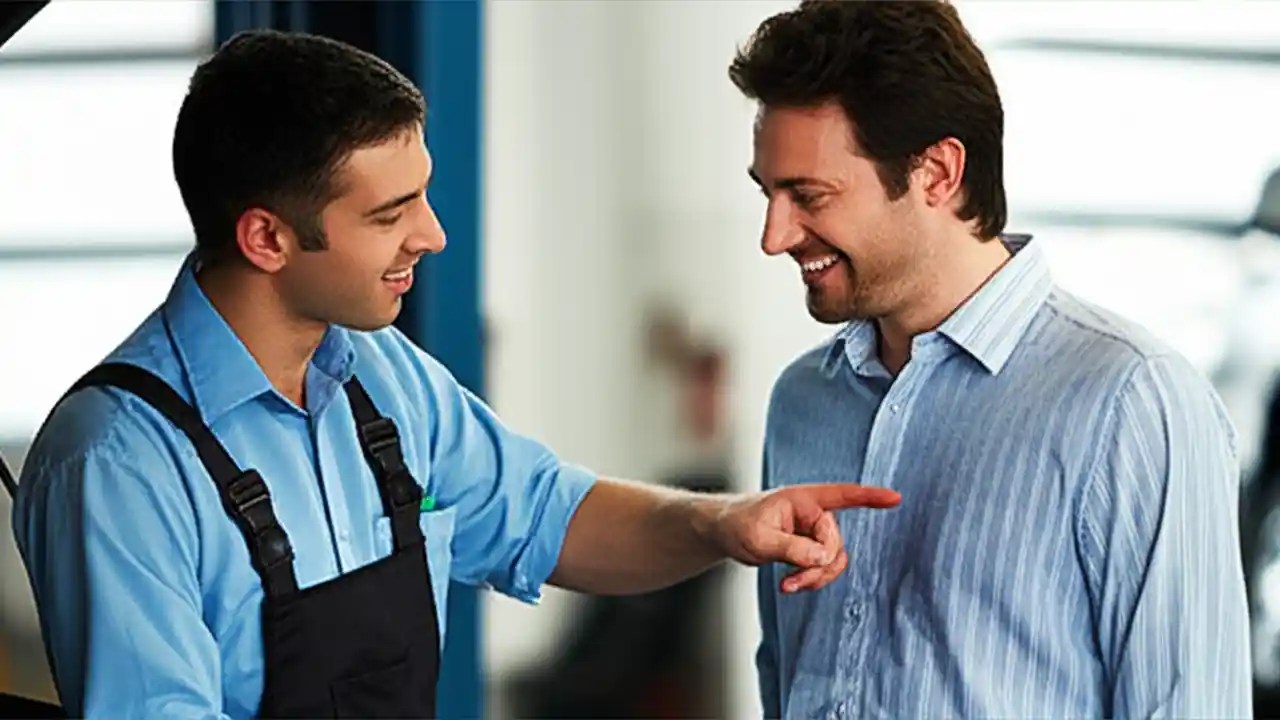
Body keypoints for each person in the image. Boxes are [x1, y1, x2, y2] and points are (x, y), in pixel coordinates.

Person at [8, 29, 901, 720]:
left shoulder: (381, 379)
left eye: (425, 195)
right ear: (266, 238)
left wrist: (723, 524)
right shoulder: (117, 464)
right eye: (391, 213)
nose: (432, 236)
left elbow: (551, 517)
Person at [729, 2, 1251, 718]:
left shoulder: (1133, 403)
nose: (774, 235)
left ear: (937, 173)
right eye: (768, 193)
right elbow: (783, 679)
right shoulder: (802, 400)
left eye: (808, 196)